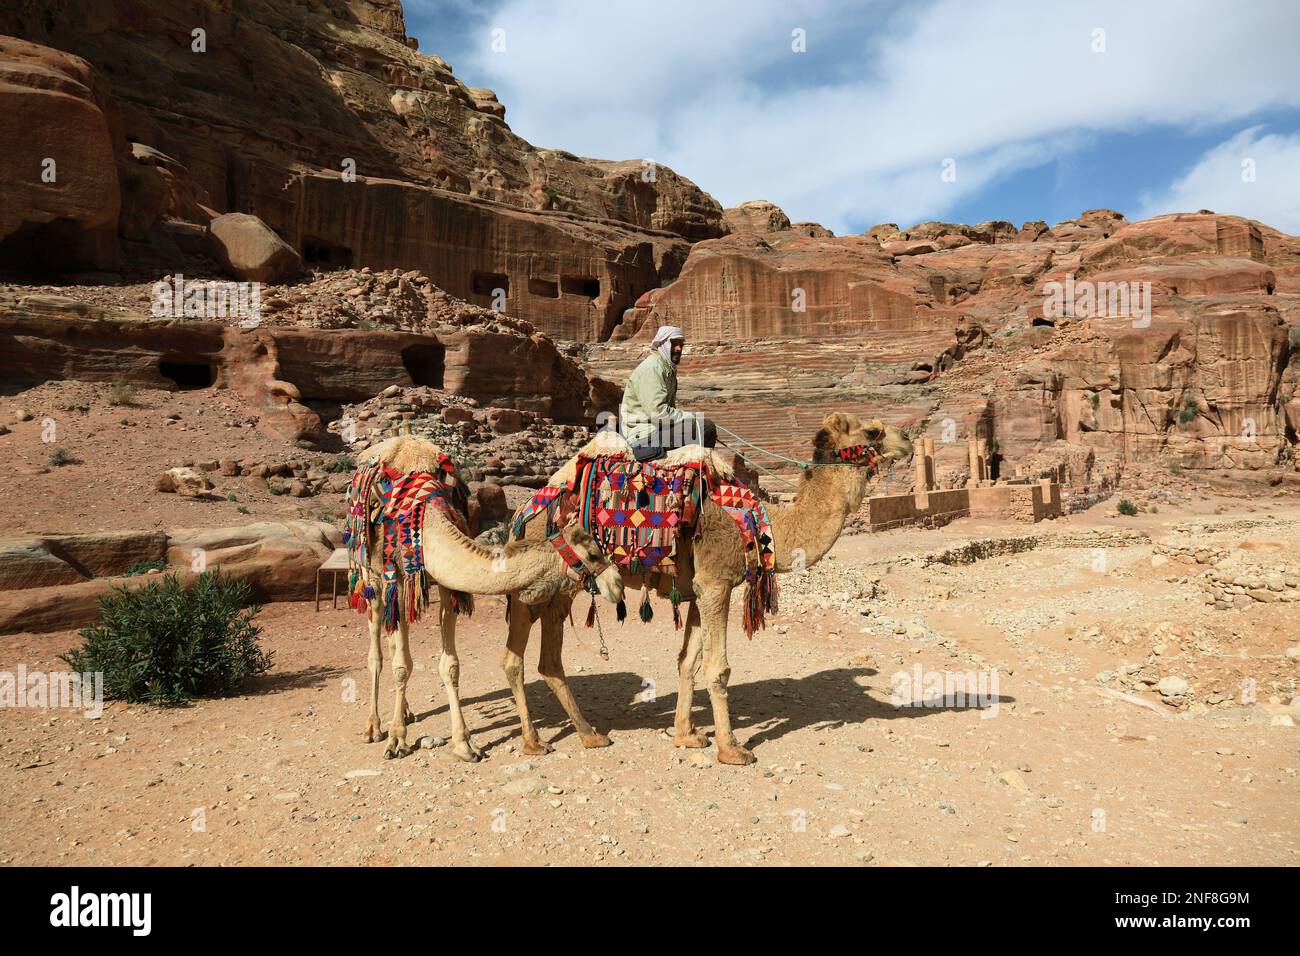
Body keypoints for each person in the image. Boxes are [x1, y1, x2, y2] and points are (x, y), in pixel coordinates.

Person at [619, 325, 716, 460]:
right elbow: (658, 413)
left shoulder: (665, 368)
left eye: (681, 345)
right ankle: (699, 471)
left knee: (701, 425)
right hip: (644, 434)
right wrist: (691, 416)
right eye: (674, 344)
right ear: (662, 344)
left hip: (656, 429)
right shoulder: (652, 369)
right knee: (706, 428)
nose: (678, 349)